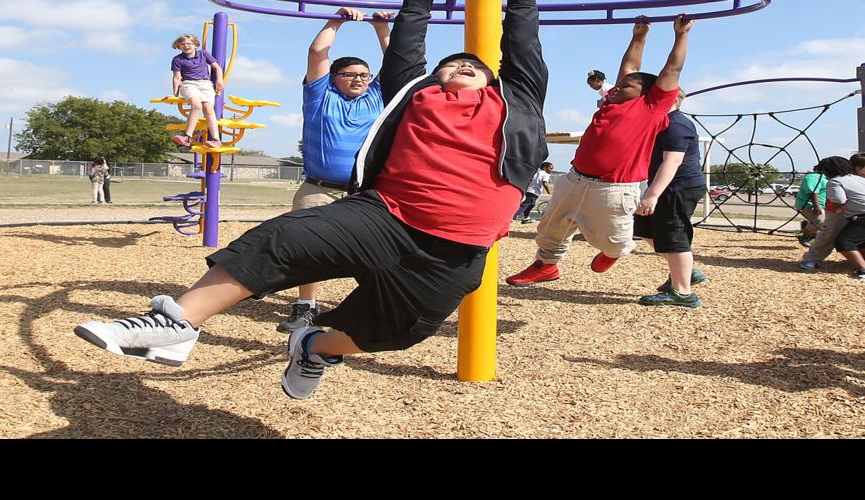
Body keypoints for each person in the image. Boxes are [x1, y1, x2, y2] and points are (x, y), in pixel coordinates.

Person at [74, 0, 548, 401]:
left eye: (474, 66)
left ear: (494, 79)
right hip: (387, 215)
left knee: (401, 330)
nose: (463, 65)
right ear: (430, 79)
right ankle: (175, 324)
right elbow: (408, 41)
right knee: (284, 235)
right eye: (452, 64)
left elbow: (523, 36)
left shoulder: (518, 99)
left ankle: (316, 345)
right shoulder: (415, 94)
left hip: (459, 246)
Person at [505, 14, 692, 287]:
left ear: (648, 94)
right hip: (575, 177)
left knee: (614, 238)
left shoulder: (651, 108)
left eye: (626, 87)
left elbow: (671, 71)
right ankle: (546, 265)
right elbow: (629, 65)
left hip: (614, 188)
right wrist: (638, 36)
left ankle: (615, 252)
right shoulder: (612, 102)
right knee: (551, 226)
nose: (616, 89)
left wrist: (681, 35)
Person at [276, 6, 393, 334]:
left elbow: (397, 60)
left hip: (365, 189)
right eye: (351, 74)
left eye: (363, 75)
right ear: (333, 78)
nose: (358, 79)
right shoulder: (319, 96)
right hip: (319, 188)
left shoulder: (375, 97)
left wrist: (380, 27)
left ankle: (371, 306)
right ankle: (306, 308)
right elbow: (317, 52)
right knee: (307, 248)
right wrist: (337, 20)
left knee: (376, 248)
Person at [634, 91, 708, 308]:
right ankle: (686, 272)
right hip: (668, 187)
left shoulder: (677, 125)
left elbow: (672, 161)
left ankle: (683, 293)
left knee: (674, 236)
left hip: (679, 188)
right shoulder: (663, 122)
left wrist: (652, 194)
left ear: (674, 100)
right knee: (642, 228)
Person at [804, 155, 865, 281]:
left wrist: (838, 207)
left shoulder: (835, 182)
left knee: (844, 242)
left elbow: (839, 199)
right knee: (859, 240)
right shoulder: (861, 179)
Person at [169, 34, 225, 149]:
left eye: (189, 43)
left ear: (195, 45)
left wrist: (219, 80)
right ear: (179, 46)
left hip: (205, 84)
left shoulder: (203, 54)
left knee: (209, 110)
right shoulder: (178, 59)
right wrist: (175, 93)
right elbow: (177, 77)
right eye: (183, 44)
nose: (186, 46)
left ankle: (216, 140)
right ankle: (187, 136)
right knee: (196, 105)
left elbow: (217, 67)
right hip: (189, 83)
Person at [793, 164, 829, 244]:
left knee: (825, 223)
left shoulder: (825, 178)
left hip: (822, 205)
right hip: (809, 205)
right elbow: (813, 191)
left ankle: (806, 229)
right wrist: (817, 206)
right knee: (820, 221)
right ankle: (802, 235)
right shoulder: (813, 176)